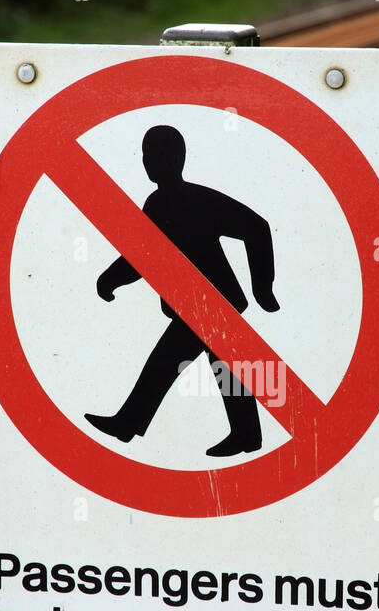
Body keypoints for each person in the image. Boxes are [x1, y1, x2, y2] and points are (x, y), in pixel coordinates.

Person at [85, 125, 279, 457]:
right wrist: (110, 279)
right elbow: (143, 256)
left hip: (211, 306)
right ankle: (246, 434)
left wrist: (264, 289)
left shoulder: (192, 200)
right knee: (225, 368)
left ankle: (128, 423)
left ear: (179, 158)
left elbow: (257, 228)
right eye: (147, 156)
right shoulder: (157, 202)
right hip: (199, 306)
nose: (150, 162)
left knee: (164, 364)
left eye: (158, 155)